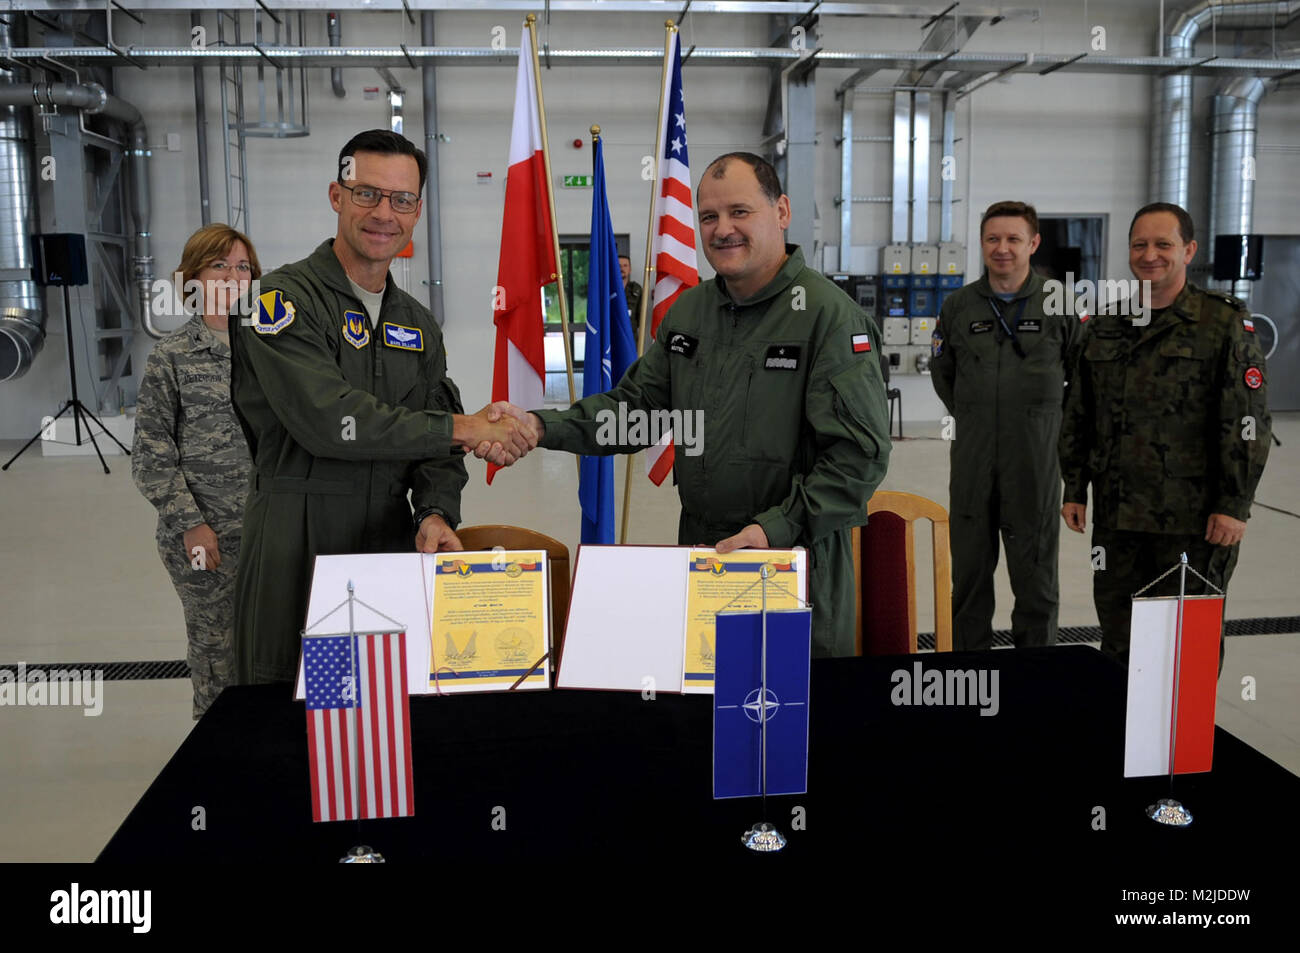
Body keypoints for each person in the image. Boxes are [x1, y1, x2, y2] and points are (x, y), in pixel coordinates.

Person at [520, 152, 891, 658]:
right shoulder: (691, 311)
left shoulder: (829, 318)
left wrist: (774, 529)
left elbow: (859, 458)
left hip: (793, 562)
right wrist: (539, 426)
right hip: (703, 557)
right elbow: (636, 411)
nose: (723, 229)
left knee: (783, 703)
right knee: (704, 694)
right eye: (709, 216)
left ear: (781, 211)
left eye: (740, 211)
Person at [230, 129, 536, 685]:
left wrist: (435, 512)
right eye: (367, 193)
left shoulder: (416, 323)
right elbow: (331, 421)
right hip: (297, 543)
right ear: (337, 195)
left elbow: (437, 447)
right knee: (289, 706)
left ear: (417, 212)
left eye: (402, 200)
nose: (383, 214)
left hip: (390, 546)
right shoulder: (278, 301)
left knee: (380, 704)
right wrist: (464, 428)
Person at [1059, 202, 1271, 666]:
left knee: (1188, 645)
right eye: (1139, 244)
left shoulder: (1223, 323)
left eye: (1163, 244)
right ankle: (1122, 716)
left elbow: (1247, 421)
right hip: (1117, 520)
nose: (1149, 254)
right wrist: (1074, 487)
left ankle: (1183, 721)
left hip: (1193, 523)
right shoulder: (1106, 325)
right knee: (1120, 641)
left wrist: (1234, 505)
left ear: (1188, 250)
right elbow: (1079, 413)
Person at [931, 201, 1086, 651]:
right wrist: (974, 416)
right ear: (982, 243)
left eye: (1013, 239)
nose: (1002, 248)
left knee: (1036, 582)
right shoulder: (959, 306)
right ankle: (970, 673)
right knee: (969, 579)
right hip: (972, 463)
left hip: (1034, 464)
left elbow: (1084, 379)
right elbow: (943, 372)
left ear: (1033, 243)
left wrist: (1048, 425)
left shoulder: (1060, 303)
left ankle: (1034, 677)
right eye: (993, 239)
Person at [133, 224, 261, 717]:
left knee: (274, 651)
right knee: (217, 655)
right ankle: (218, 752)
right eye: (219, 265)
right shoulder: (172, 356)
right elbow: (151, 453)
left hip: (270, 532)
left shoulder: (274, 349)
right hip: (207, 537)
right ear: (192, 278)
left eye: (243, 267)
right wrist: (192, 525)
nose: (233, 276)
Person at [620, 254, 644, 346]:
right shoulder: (607, 289)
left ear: (630, 269)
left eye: (625, 266)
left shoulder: (636, 289)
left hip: (630, 337)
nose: (622, 268)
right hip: (611, 336)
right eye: (619, 266)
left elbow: (640, 317)